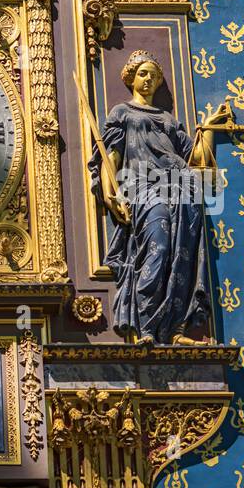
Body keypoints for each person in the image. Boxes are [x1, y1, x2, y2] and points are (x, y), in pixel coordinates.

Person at [88, 50, 230, 345]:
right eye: (143, 73)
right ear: (131, 78)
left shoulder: (168, 119)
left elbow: (195, 158)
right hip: (143, 187)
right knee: (159, 247)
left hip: (181, 187)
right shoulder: (122, 113)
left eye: (153, 75)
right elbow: (111, 158)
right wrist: (111, 195)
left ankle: (176, 329)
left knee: (182, 255)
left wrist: (208, 128)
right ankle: (148, 326)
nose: (148, 79)